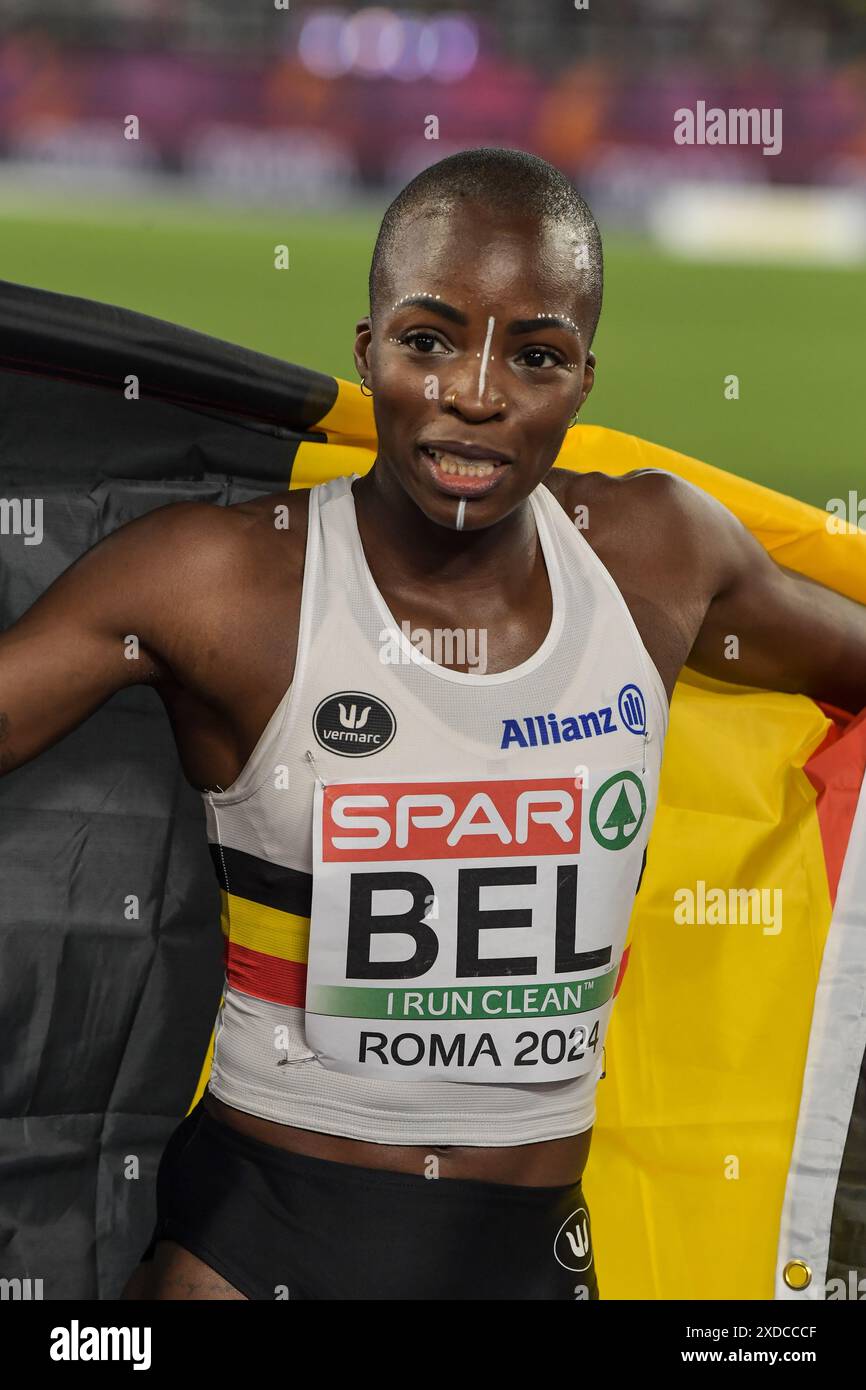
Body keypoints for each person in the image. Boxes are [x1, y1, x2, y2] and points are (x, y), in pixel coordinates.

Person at [1, 148, 864, 1301]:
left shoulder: (657, 559)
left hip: (535, 1257)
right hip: (258, 1250)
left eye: (537, 355)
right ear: (367, 356)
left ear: (584, 379)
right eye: (429, 340)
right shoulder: (219, 585)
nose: (476, 391)